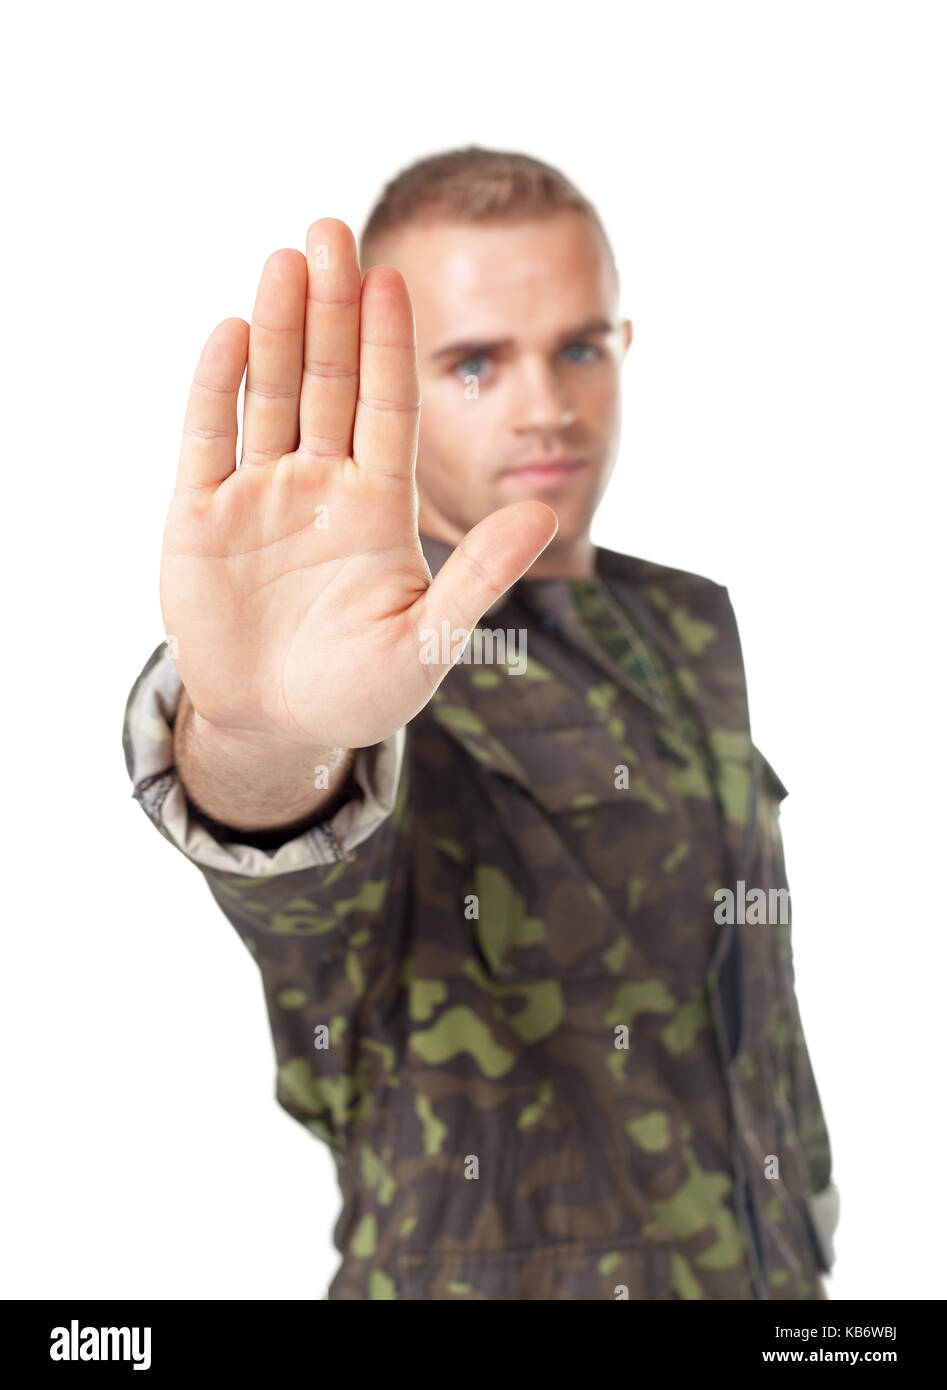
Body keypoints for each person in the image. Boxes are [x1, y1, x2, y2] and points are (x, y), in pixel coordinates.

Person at [123, 146, 839, 1300]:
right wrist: (263, 733)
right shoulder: (373, 661)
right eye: (472, 364)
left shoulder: (682, 624)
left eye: (577, 348)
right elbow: (288, 842)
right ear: (381, 381)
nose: (546, 406)